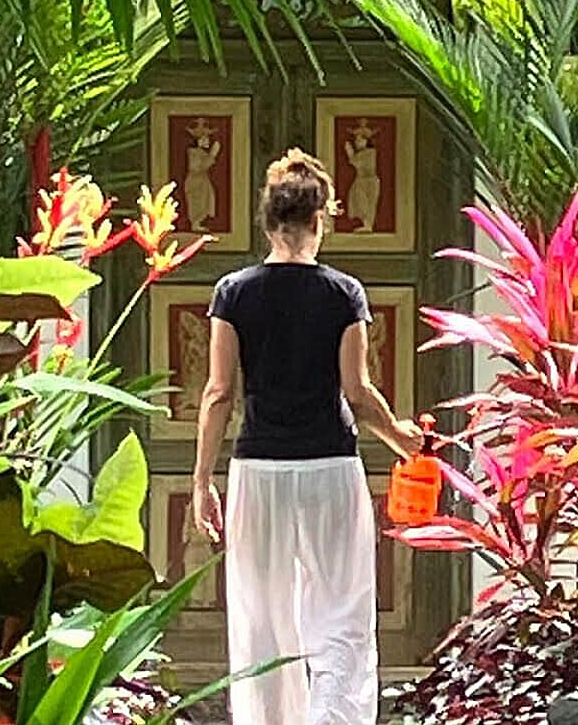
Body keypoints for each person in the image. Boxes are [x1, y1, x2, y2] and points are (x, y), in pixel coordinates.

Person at [192, 148, 424, 725]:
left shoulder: (233, 292)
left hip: (258, 473)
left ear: (269, 222)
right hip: (329, 471)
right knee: (341, 615)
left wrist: (201, 482)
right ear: (320, 220)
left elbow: (218, 393)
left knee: (261, 623)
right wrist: (401, 439)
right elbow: (357, 392)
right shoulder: (343, 294)